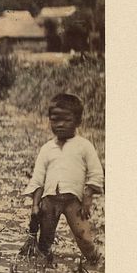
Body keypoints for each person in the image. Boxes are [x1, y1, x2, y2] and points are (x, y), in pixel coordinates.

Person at [25, 93, 103, 264]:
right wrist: (35, 206)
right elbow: (38, 179)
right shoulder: (47, 148)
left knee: (85, 238)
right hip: (49, 201)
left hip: (74, 202)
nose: (60, 124)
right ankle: (43, 265)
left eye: (66, 120)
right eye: (55, 120)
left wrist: (88, 197)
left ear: (78, 121)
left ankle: (96, 263)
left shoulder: (84, 146)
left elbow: (96, 172)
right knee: (45, 240)